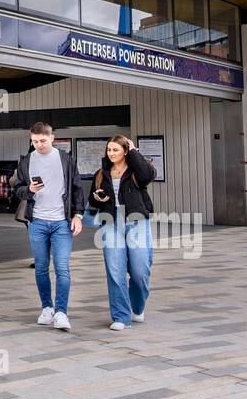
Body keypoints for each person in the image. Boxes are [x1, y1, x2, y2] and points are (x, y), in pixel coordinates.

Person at [10, 123, 83, 331]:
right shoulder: (25, 162)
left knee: (62, 268)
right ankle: (47, 308)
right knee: (41, 268)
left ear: (53, 138)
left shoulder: (65, 159)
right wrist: (29, 190)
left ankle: (61, 312)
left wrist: (77, 215)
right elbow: (17, 190)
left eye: (42, 141)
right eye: (34, 141)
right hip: (37, 222)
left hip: (62, 222)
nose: (39, 145)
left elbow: (76, 188)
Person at [87, 135, 157, 331]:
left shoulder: (136, 171)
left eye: (115, 150)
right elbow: (92, 201)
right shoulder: (101, 173)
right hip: (111, 223)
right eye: (109, 150)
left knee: (140, 271)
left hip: (136, 223)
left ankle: (137, 306)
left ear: (125, 151)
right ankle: (120, 316)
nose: (111, 153)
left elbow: (148, 175)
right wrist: (97, 199)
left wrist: (134, 152)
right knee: (115, 271)